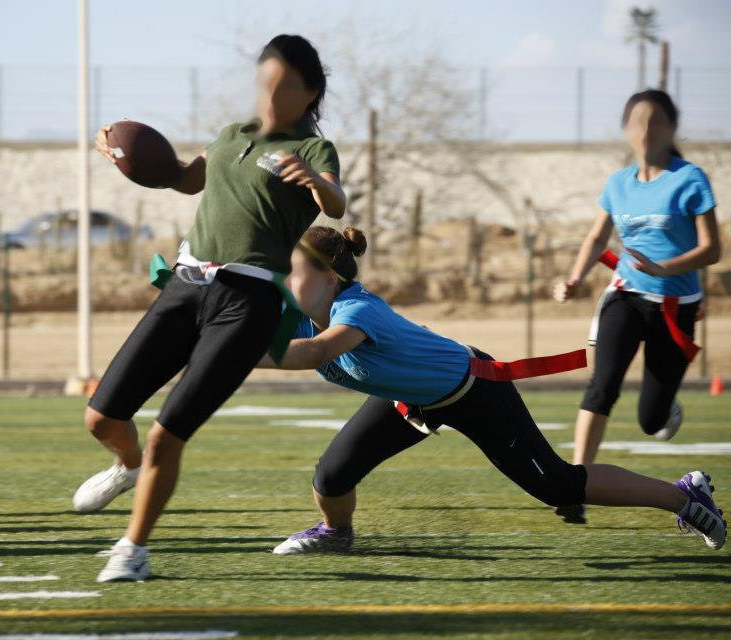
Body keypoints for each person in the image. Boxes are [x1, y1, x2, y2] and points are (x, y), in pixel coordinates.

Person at [256, 225, 725, 556]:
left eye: (295, 269)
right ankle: (337, 534)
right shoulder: (300, 312)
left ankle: (684, 495)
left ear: (329, 278)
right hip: (411, 399)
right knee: (331, 477)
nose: (287, 278)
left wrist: (234, 357)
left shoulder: (355, 311)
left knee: (557, 486)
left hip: (473, 389)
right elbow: (251, 318)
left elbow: (316, 354)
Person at [77, 34, 347, 582]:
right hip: (185, 286)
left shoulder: (315, 150)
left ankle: (133, 551)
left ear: (310, 92)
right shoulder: (231, 137)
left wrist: (316, 181)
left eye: (285, 86)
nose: (270, 96)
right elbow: (181, 178)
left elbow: (336, 204)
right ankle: (127, 468)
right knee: (102, 417)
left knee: (165, 434)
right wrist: (125, 155)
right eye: (265, 83)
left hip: (248, 303)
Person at [552, 89, 720, 524]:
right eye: (638, 122)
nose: (646, 131)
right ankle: (575, 486)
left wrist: (666, 268)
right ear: (627, 129)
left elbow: (712, 249)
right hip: (625, 294)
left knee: (651, 419)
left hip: (674, 305)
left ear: (672, 128)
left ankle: (665, 406)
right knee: (601, 385)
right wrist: (575, 276)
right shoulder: (618, 183)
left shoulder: (690, 179)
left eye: (656, 122)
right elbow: (596, 238)